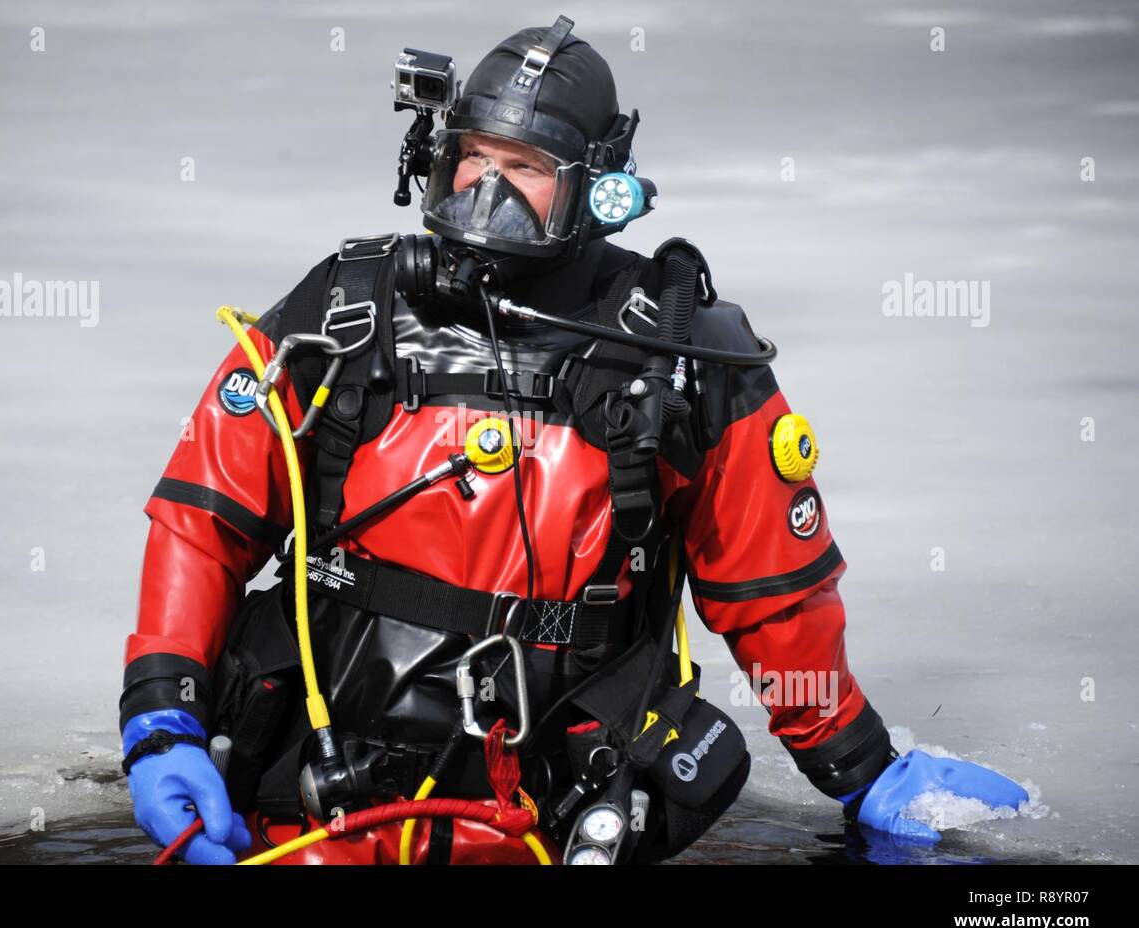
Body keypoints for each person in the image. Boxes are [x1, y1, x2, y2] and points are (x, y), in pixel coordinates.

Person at [119, 17, 1028, 865]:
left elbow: (770, 592)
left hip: (554, 824)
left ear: (597, 186)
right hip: (312, 816)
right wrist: (163, 721)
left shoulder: (679, 353)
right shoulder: (345, 310)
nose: (488, 189)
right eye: (473, 157)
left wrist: (860, 762)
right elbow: (205, 520)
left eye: (526, 166)